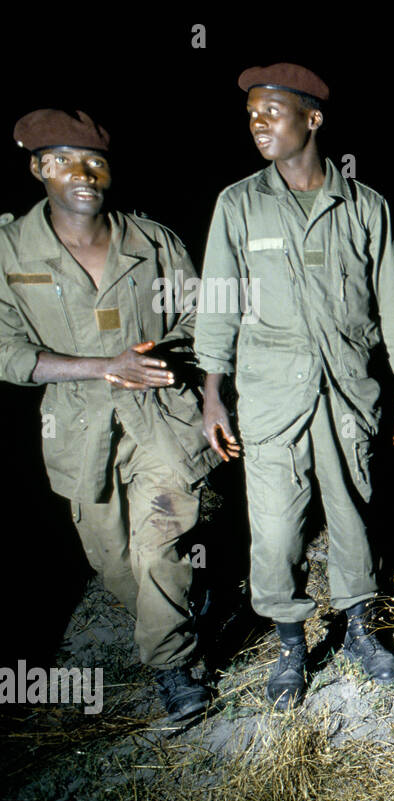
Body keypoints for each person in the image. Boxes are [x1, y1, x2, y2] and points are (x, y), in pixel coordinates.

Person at [194, 64, 394, 710]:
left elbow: (391, 301)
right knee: (275, 528)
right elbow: (216, 303)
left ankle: (357, 626)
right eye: (251, 115)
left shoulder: (365, 206)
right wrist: (213, 391)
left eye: (271, 111)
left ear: (313, 119)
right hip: (270, 394)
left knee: (353, 511)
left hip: (348, 390)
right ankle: (291, 640)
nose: (258, 123)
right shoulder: (238, 205)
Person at [0, 109, 217, 720]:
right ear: (39, 167)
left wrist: (164, 354)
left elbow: (201, 317)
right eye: (65, 161)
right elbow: (7, 352)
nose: (84, 174)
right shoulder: (10, 250)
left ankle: (175, 669)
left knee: (158, 548)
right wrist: (99, 366)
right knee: (113, 563)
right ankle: (177, 608)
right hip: (78, 430)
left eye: (95, 161)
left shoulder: (153, 241)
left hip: (161, 420)